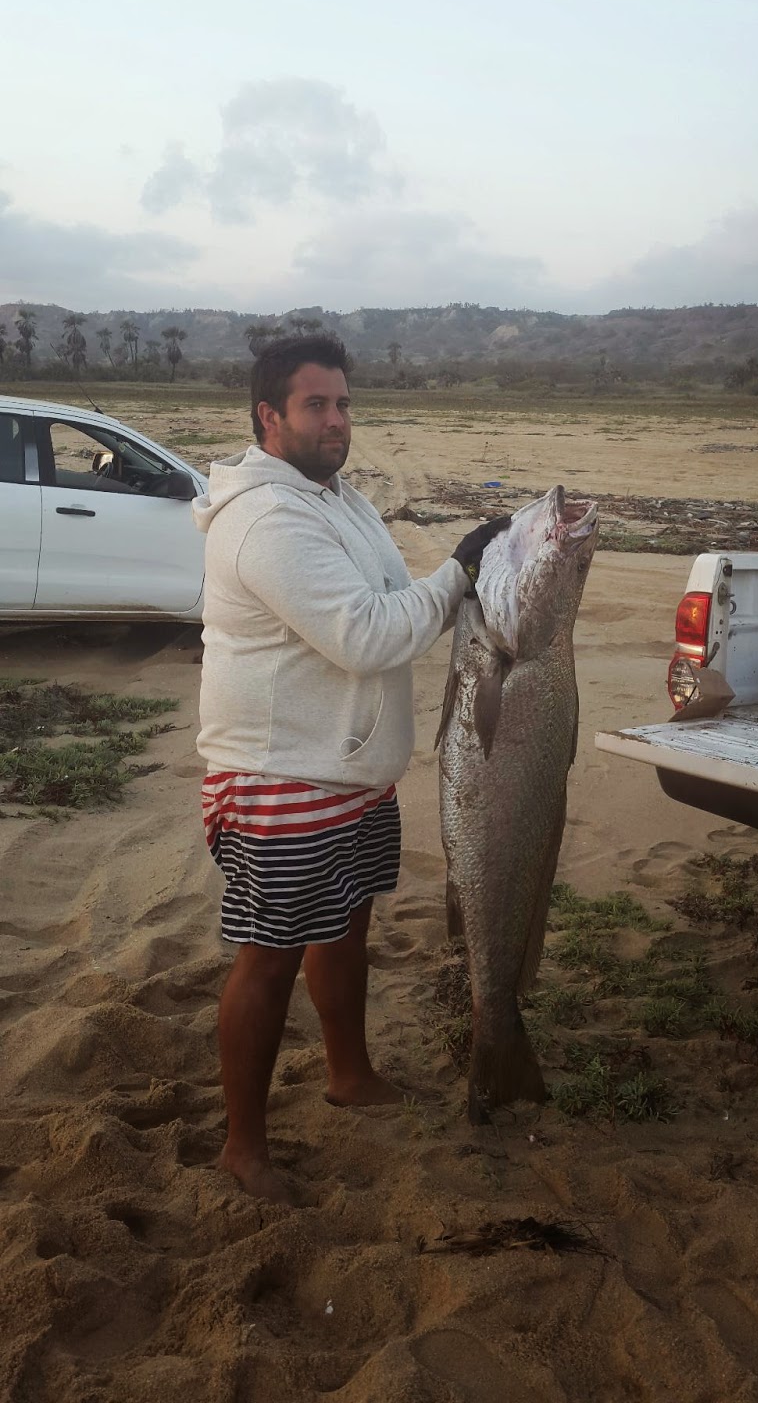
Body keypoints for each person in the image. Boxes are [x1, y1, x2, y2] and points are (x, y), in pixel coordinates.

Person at [193, 332, 508, 1203]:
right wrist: (459, 572)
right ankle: (243, 1147)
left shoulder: (338, 498)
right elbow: (367, 634)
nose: (337, 421)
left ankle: (348, 1071)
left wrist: (466, 578)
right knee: (269, 955)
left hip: (349, 772)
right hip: (278, 774)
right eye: (316, 405)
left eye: (343, 403)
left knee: (346, 926)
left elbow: (388, 600)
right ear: (269, 416)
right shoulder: (265, 517)